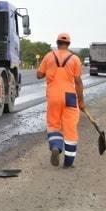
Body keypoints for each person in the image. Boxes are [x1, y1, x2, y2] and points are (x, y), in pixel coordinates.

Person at [36, 33, 84, 168]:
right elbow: (78, 82)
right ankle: (68, 163)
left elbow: (39, 75)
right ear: (68, 44)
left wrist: (47, 69)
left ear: (57, 43)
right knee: (70, 128)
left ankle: (56, 147)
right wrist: (81, 101)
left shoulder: (49, 56)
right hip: (69, 95)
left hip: (53, 96)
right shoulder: (74, 59)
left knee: (53, 125)